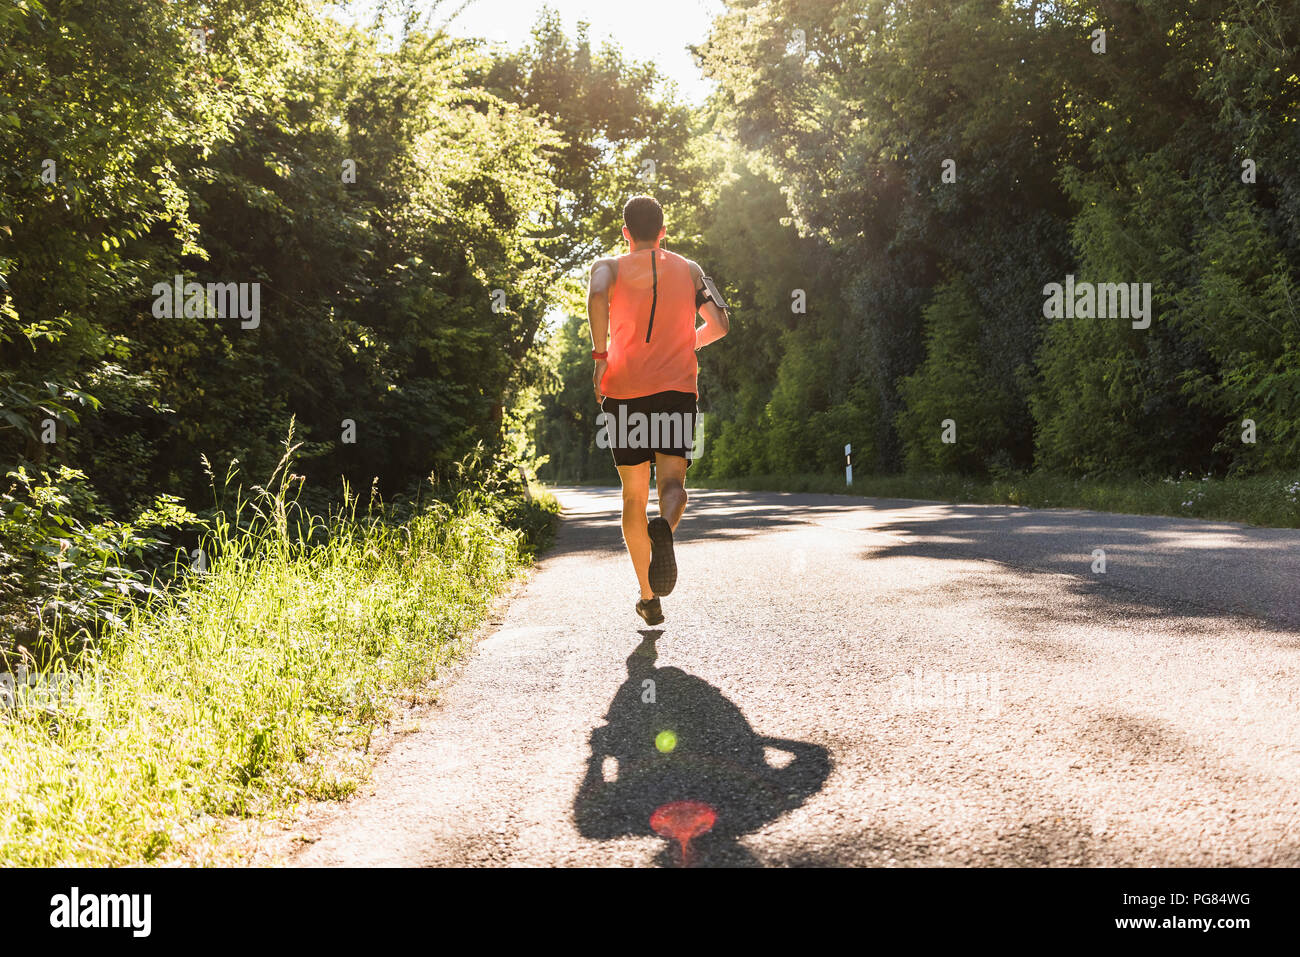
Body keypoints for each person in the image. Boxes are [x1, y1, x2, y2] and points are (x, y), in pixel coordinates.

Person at [587, 195, 729, 626]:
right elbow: (721, 322)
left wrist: (600, 357)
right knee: (673, 483)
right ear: (664, 231)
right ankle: (665, 524)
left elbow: (596, 297)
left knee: (633, 494)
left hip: (625, 392)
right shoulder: (689, 269)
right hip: (676, 390)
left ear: (625, 232)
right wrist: (690, 341)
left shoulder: (606, 266)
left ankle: (648, 596)